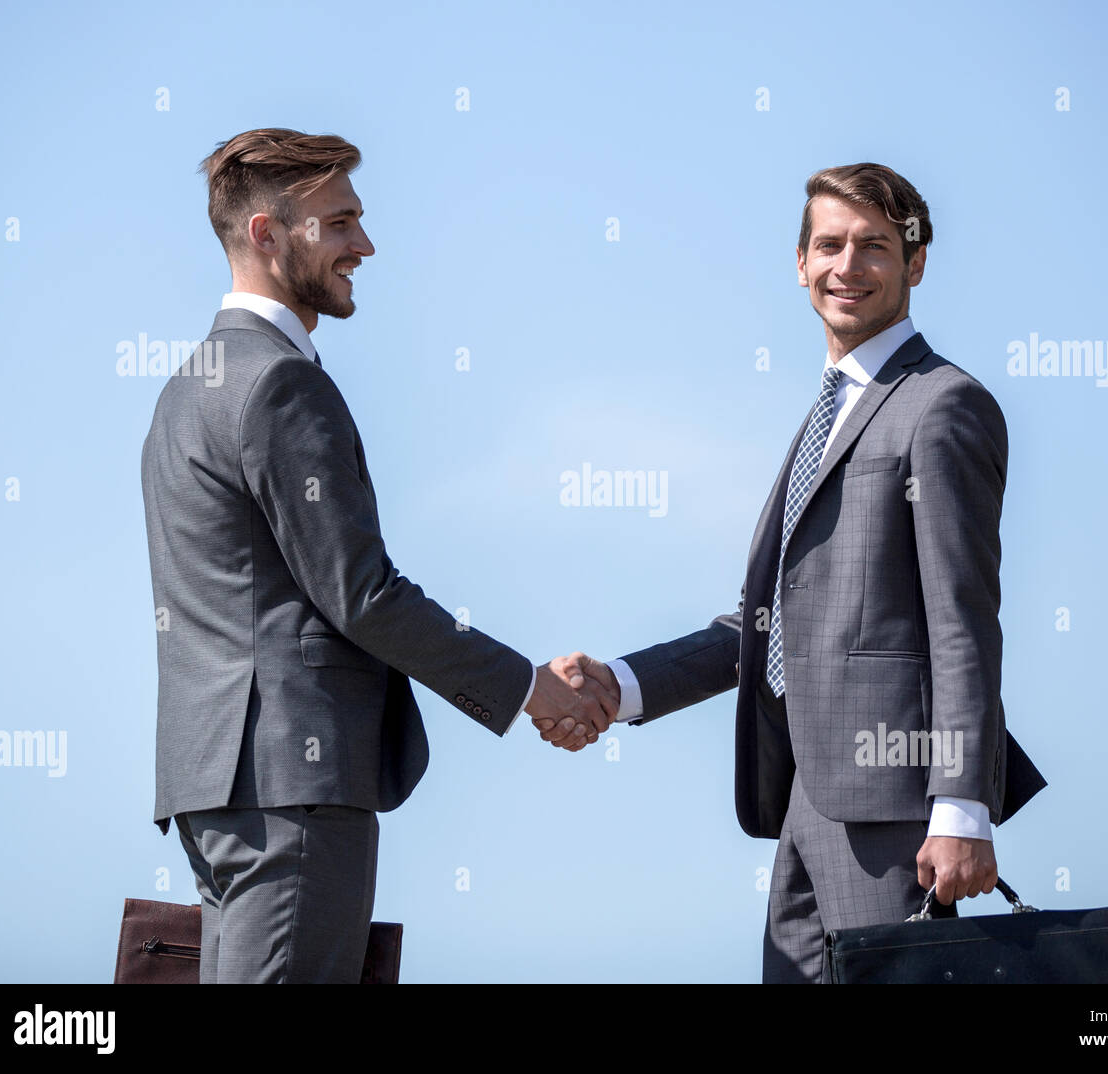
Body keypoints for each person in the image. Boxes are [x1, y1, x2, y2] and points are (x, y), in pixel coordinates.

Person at [536, 163, 1047, 984]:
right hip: (804, 793)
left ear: (916, 264)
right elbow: (775, 624)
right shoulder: (829, 408)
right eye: (830, 245)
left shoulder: (943, 404)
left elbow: (963, 621)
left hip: (895, 800)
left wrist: (962, 807)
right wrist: (620, 684)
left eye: (875, 247)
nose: (849, 266)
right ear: (801, 262)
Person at [141, 128, 614, 983]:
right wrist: (531, 690)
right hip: (296, 787)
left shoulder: (189, 383)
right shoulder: (281, 382)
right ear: (266, 235)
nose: (365, 244)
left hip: (216, 787)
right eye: (341, 222)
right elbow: (362, 596)